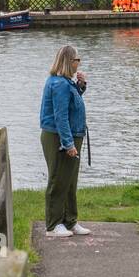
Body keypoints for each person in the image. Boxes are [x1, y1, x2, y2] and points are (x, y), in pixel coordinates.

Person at [39, 45, 90, 238]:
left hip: (71, 134)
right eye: (77, 59)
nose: (79, 63)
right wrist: (68, 144)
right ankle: (53, 225)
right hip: (58, 137)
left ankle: (70, 220)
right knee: (59, 180)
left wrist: (81, 86)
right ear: (69, 61)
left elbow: (71, 104)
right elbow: (60, 116)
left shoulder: (66, 83)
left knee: (70, 181)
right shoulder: (59, 84)